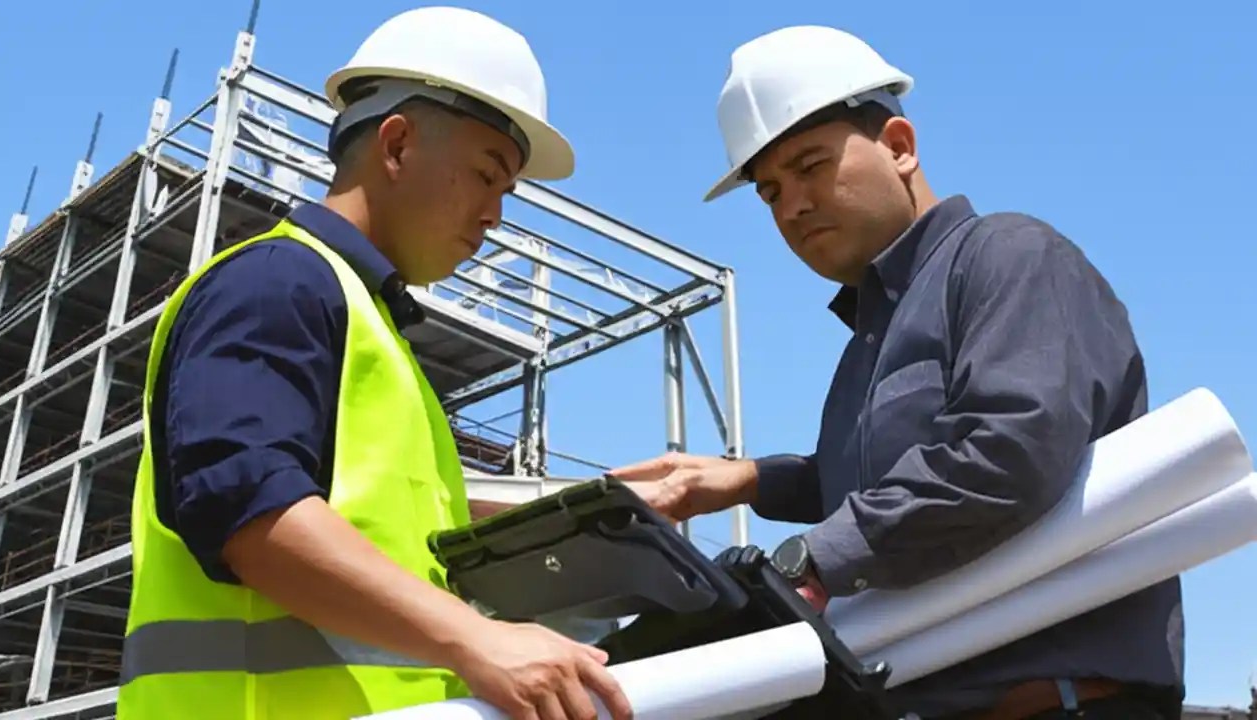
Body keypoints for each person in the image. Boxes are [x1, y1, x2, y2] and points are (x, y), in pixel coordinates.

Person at [609, 24, 1183, 720]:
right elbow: (883, 479)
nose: (791, 205)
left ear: (900, 147)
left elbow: (1006, 452)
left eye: (812, 166)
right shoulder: (869, 341)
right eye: (769, 192)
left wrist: (810, 558)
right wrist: (749, 480)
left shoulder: (1009, 256)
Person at [118, 7, 632, 720]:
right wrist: (474, 638)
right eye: (487, 176)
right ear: (396, 145)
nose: (495, 216)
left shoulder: (363, 322)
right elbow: (249, 509)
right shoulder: (278, 281)